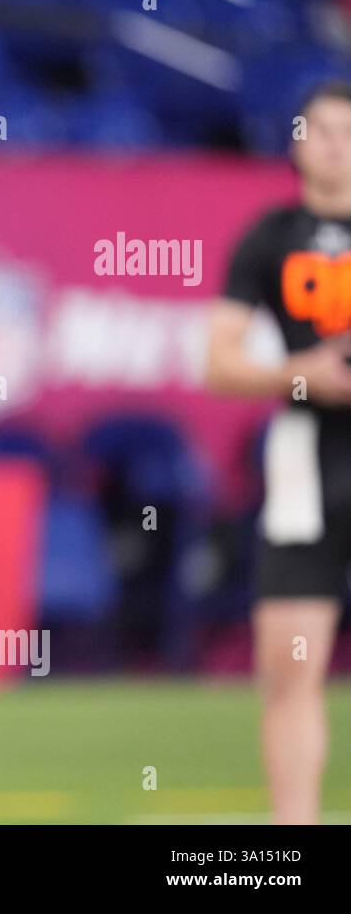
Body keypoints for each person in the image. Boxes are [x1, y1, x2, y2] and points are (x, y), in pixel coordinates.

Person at [205, 79, 351, 824]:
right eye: (321, 129)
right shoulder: (269, 237)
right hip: (309, 464)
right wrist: (300, 374)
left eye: (348, 131)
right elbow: (217, 361)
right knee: (290, 665)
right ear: (297, 142)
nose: (336, 143)